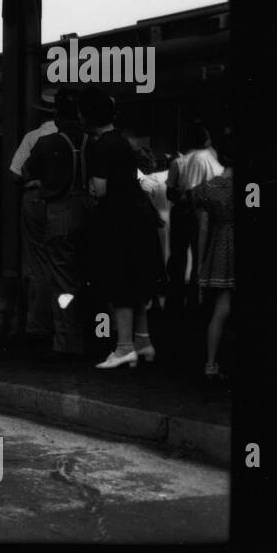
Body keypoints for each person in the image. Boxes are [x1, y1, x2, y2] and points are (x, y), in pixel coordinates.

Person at [82, 88, 164, 369]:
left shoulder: (101, 144)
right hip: (139, 217)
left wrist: (92, 188)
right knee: (138, 281)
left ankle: (124, 347)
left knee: (120, 282)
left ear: (87, 117)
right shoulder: (122, 140)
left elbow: (101, 190)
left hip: (118, 221)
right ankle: (143, 341)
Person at [23, 89, 92, 356]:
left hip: (60, 211)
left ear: (56, 116)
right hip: (89, 210)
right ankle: (94, 335)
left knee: (62, 280)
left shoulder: (47, 143)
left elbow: (28, 172)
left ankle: (66, 343)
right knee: (87, 277)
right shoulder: (92, 141)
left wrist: (47, 181)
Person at [10, 95, 60, 342]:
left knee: (35, 260)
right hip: (62, 200)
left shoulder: (32, 137)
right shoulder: (71, 135)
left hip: (34, 197)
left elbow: (15, 173)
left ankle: (37, 324)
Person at [165, 124, 223, 315]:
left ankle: (175, 301)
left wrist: (182, 197)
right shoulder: (214, 162)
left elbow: (170, 192)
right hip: (204, 213)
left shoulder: (178, 162)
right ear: (207, 141)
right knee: (201, 256)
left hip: (181, 213)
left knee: (178, 256)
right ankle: (197, 301)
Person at [190, 132, 233, 383]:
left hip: (219, 245)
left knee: (220, 308)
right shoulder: (254, 186)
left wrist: (200, 263)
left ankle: (211, 363)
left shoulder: (209, 188)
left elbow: (204, 227)